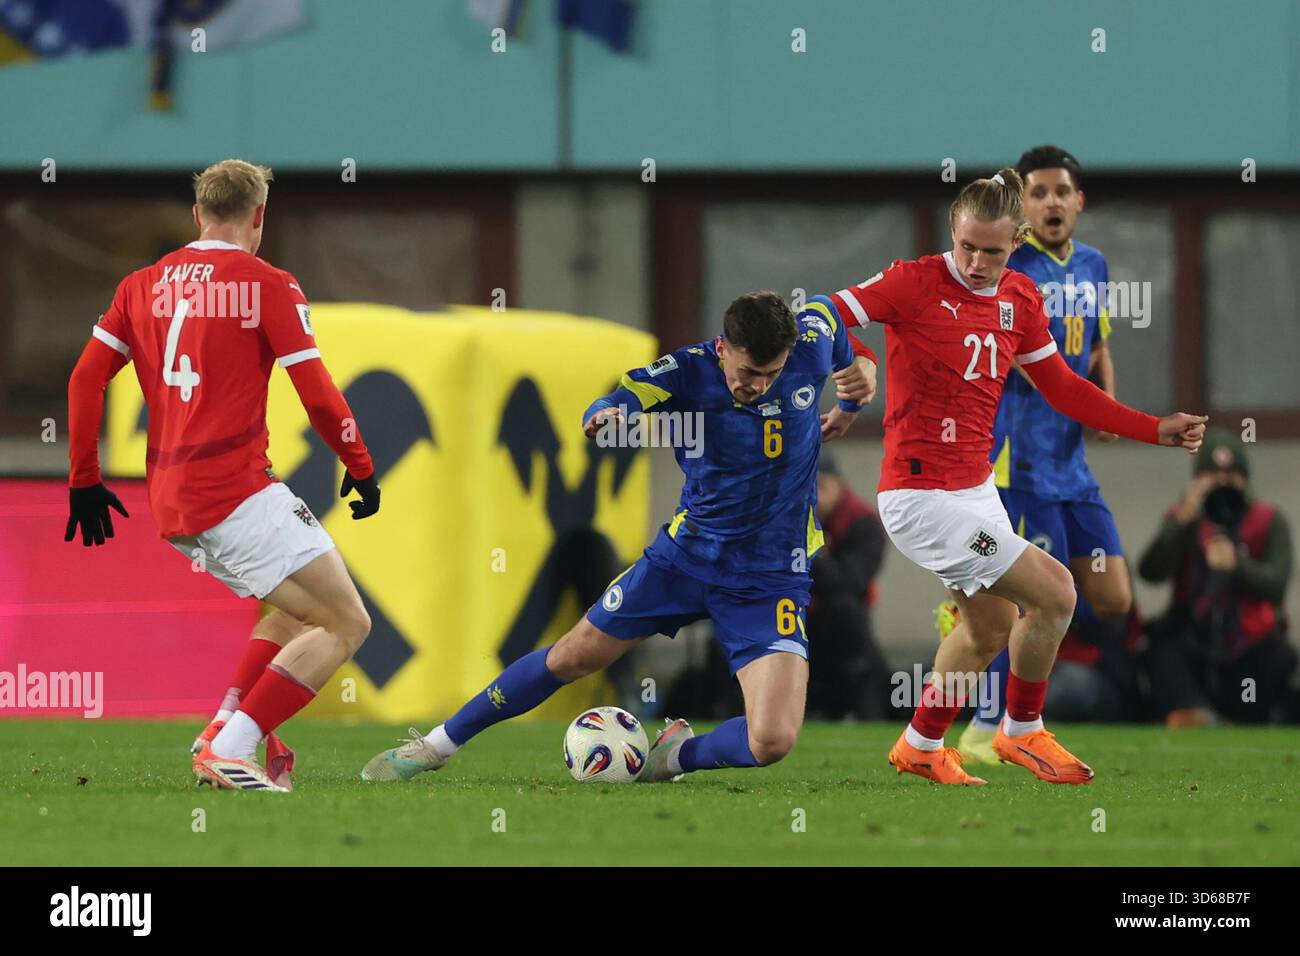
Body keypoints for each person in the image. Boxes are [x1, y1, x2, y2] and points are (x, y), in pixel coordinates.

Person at [359, 290, 876, 783]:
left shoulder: (811, 340)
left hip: (769, 577)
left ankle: (675, 755)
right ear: (723, 349)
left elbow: (838, 326)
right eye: (746, 373)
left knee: (772, 741)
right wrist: (607, 416)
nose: (758, 386)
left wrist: (854, 391)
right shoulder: (688, 370)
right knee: (571, 656)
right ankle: (435, 745)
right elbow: (621, 398)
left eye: (771, 374)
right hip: (685, 559)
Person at [825, 167, 1205, 786]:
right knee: (1056, 592)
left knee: (989, 628)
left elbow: (1063, 388)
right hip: (921, 497)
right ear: (953, 229)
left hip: (975, 492)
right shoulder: (911, 281)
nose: (976, 261)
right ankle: (1021, 731)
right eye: (967, 245)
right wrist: (857, 368)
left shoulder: (1020, 299)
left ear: (1015, 241)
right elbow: (825, 313)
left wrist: (1152, 427)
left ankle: (920, 744)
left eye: (993, 251)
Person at [65, 159, 381, 792]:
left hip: (172, 500)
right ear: (259, 216)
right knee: (347, 622)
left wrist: (84, 479)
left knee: (290, 614)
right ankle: (231, 748)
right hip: (235, 489)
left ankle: (219, 731)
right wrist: (360, 465)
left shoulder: (140, 285)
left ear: (196, 214)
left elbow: (84, 378)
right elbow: (317, 393)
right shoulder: (269, 283)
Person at [945, 146, 1138, 761]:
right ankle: (990, 726)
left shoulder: (1093, 264)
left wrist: (1106, 403)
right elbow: (1025, 364)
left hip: (1072, 467)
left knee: (1111, 597)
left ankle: (965, 620)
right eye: (1039, 192)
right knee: (1033, 595)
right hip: (1017, 464)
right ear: (1021, 207)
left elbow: (1099, 344)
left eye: (1062, 191)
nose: (1052, 201)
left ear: (1079, 200)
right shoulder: (1007, 268)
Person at [1138, 428, 1296, 725]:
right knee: (1162, 645)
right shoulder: (1184, 516)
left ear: (1245, 480)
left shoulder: (1268, 519)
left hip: (1248, 642)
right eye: (1212, 474)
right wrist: (1181, 524)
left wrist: (1237, 565)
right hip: (1193, 636)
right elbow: (1151, 571)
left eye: (1233, 474)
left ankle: (1247, 716)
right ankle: (1192, 712)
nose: (1223, 482)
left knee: (1278, 655)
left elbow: (1276, 585)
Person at [806, 453, 891, 719]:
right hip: (797, 620)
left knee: (844, 611)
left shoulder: (861, 522)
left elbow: (849, 582)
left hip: (844, 630)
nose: (814, 497)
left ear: (839, 485)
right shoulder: (789, 521)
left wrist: (813, 550)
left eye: (821, 486)